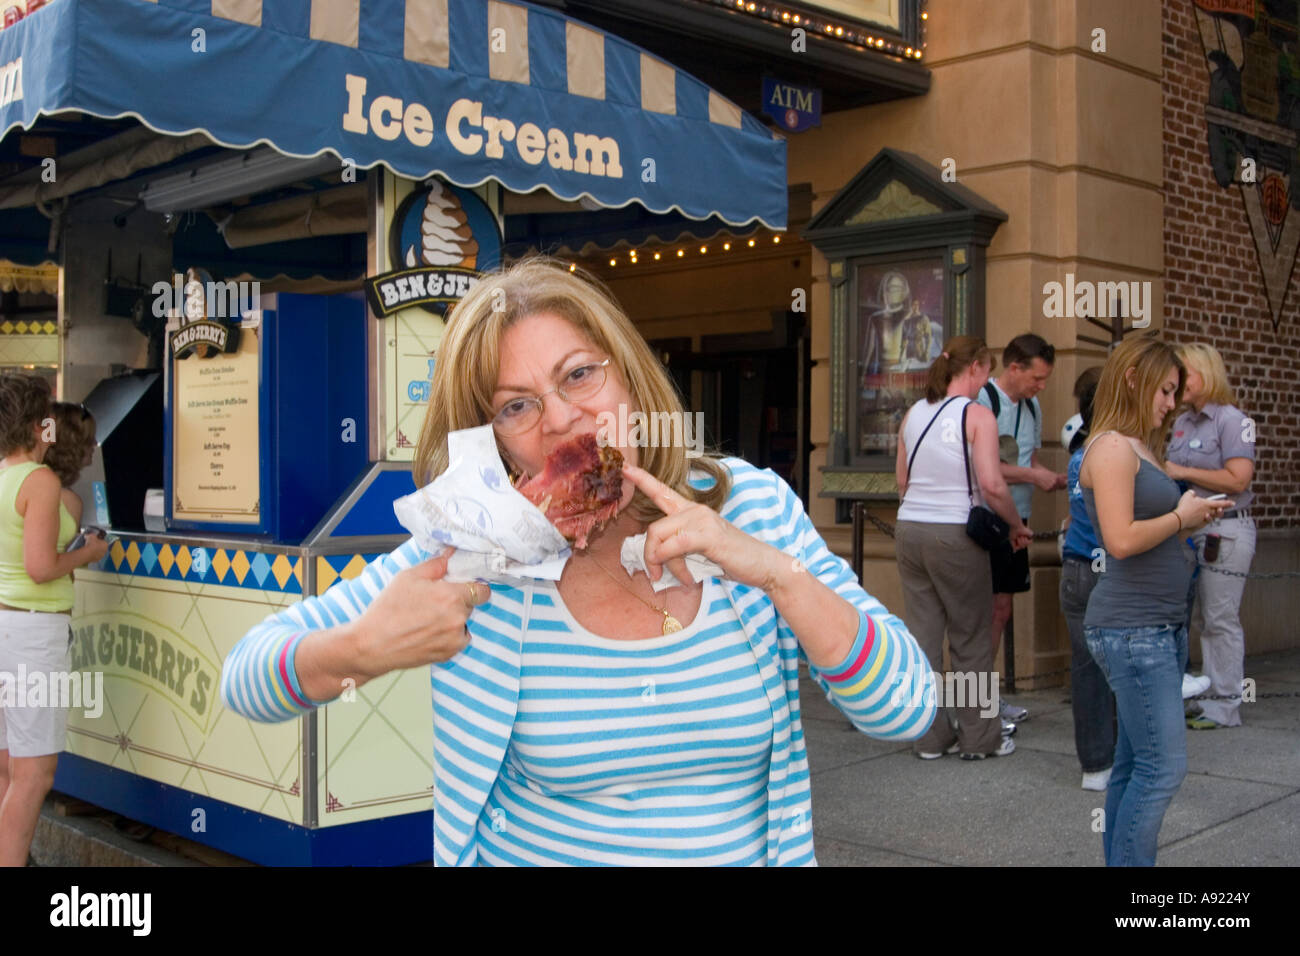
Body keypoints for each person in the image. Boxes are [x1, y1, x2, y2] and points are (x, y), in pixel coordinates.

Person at [221, 257, 936, 866]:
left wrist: (781, 576)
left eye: (579, 376)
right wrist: (364, 648)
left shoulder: (749, 507)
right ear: (492, 442)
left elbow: (906, 709)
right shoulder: (477, 554)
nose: (560, 418)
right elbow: (246, 679)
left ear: (626, 374)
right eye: (516, 407)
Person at [1078, 334, 1230, 866]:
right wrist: (1181, 517)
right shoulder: (1114, 447)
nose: (1171, 404)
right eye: (1166, 391)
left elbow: (1148, 527)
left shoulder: (1137, 444)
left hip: (1154, 628)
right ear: (1133, 379)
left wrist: (1188, 514)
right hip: (1132, 628)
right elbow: (1119, 540)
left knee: (1133, 765)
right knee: (1163, 767)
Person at [894, 337, 1031, 760]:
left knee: (924, 640)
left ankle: (930, 738)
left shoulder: (913, 414)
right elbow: (992, 484)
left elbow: (902, 481)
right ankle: (979, 738)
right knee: (970, 639)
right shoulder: (977, 415)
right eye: (986, 372)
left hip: (910, 529)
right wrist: (1015, 524)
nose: (986, 381)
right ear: (973, 368)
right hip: (955, 533)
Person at [0, 377, 109, 867]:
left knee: (7, 768)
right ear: (34, 424)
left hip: (5, 627)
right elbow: (41, 568)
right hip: (33, 636)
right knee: (36, 774)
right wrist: (87, 552)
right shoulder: (39, 482)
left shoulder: (3, 474)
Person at [975, 333, 1067, 723]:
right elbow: (985, 469)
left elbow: (1025, 458)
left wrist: (1049, 476)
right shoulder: (982, 402)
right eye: (1037, 378)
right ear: (1014, 367)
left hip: (1019, 519)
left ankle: (987, 699)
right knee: (979, 613)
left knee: (1001, 608)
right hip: (985, 518)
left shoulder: (1032, 407)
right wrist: (1032, 474)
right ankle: (975, 703)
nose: (1041, 386)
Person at [1166, 343, 1255, 730]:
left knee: (1219, 617)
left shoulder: (1232, 420)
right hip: (1189, 527)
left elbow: (1239, 479)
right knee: (1195, 616)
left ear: (1207, 373)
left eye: (1186, 373)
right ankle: (1203, 695)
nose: (1179, 382)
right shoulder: (1182, 420)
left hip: (1224, 527)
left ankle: (1224, 705)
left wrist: (1176, 470)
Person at [1057, 367, 1116, 791]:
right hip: (1110, 569)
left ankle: (1096, 764)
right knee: (1121, 667)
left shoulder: (1079, 456)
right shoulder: (1114, 456)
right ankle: (1119, 759)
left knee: (1087, 667)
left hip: (1077, 568)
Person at [45, 403, 98, 530]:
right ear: (72, 443)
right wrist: (92, 549)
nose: (95, 444)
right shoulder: (68, 501)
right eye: (89, 439)